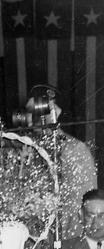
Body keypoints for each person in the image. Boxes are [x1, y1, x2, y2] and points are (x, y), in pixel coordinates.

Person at [25, 85, 96, 239]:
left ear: (56, 112)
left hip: (64, 242)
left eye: (38, 110)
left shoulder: (73, 149)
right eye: (29, 111)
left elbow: (80, 209)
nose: (32, 117)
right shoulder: (23, 148)